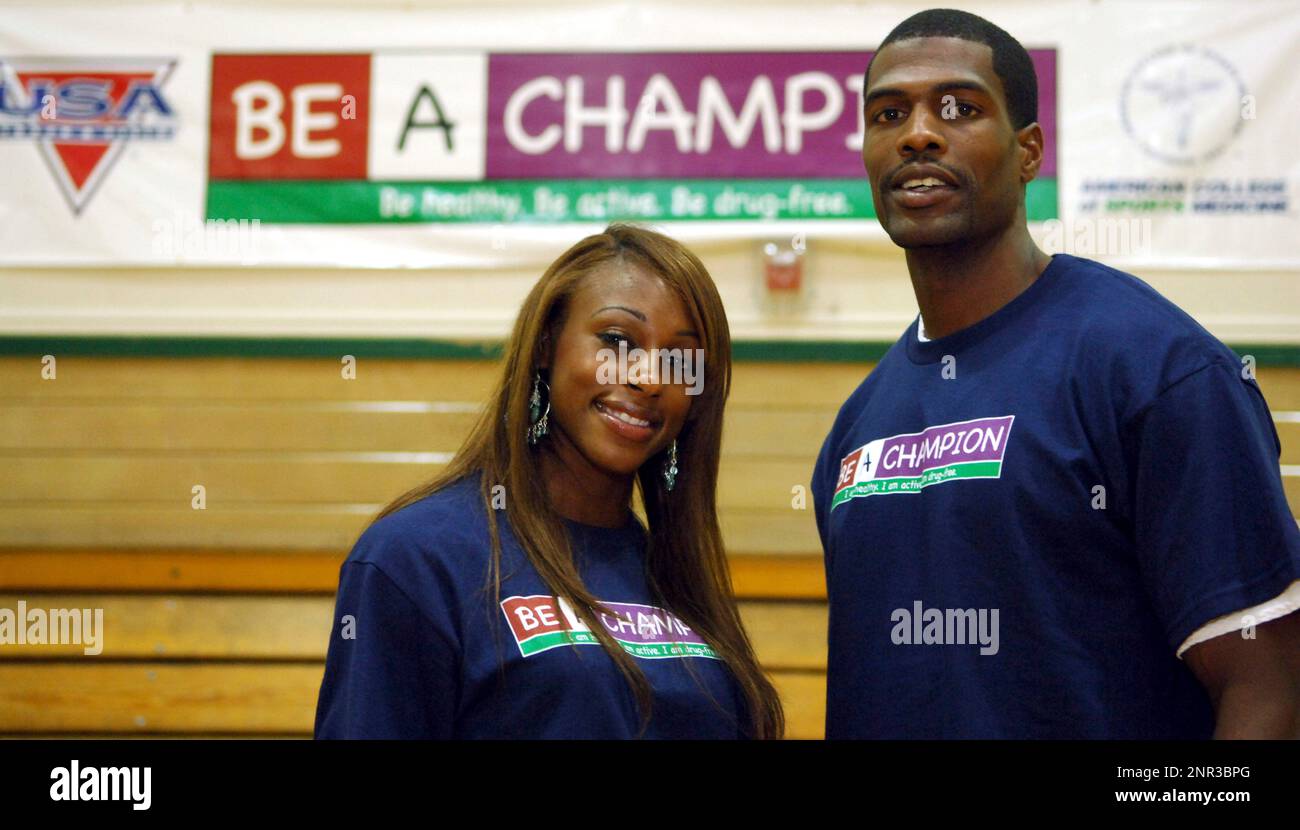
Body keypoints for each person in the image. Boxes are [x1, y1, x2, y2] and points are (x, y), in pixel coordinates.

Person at [812, 8, 1300, 738]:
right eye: (888, 114)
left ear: (1029, 151)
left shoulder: (1156, 368)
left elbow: (1270, 689)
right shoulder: (856, 430)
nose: (917, 133)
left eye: (959, 108)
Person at [316, 223, 784, 739]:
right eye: (617, 340)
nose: (650, 377)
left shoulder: (677, 573)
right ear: (546, 345)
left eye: (679, 358)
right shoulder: (413, 557)